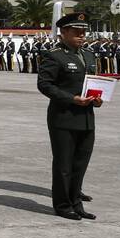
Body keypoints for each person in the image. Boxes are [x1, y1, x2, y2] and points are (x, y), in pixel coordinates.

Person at [37, 13, 101, 221]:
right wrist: (71, 99)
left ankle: (76, 203)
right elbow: (45, 85)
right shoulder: (54, 55)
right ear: (63, 33)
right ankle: (63, 205)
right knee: (64, 164)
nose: (82, 36)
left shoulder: (89, 55)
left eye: (84, 32)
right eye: (77, 32)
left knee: (80, 163)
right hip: (63, 117)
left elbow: (92, 83)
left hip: (86, 117)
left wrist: (97, 99)